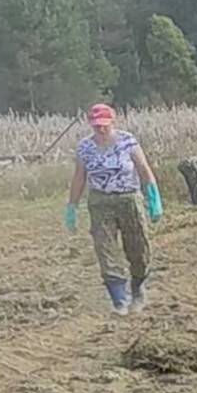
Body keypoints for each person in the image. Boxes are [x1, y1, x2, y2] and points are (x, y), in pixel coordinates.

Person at [66, 104, 161, 315]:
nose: (100, 130)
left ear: (113, 122)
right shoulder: (85, 148)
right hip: (100, 202)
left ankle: (137, 288)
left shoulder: (127, 141)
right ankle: (119, 299)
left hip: (129, 199)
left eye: (104, 125)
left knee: (138, 249)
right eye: (96, 126)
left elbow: (144, 170)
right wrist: (72, 206)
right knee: (105, 248)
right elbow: (79, 177)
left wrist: (153, 198)